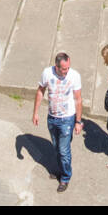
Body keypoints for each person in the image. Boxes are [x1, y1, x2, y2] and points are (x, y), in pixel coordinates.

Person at [33, 52, 83, 193]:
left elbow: (78, 99)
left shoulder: (74, 76)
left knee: (63, 150)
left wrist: (78, 121)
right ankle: (61, 170)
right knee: (56, 148)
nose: (66, 71)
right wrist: (36, 113)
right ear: (56, 66)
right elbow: (40, 91)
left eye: (68, 68)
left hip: (67, 119)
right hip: (52, 118)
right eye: (63, 69)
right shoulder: (47, 73)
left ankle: (65, 177)